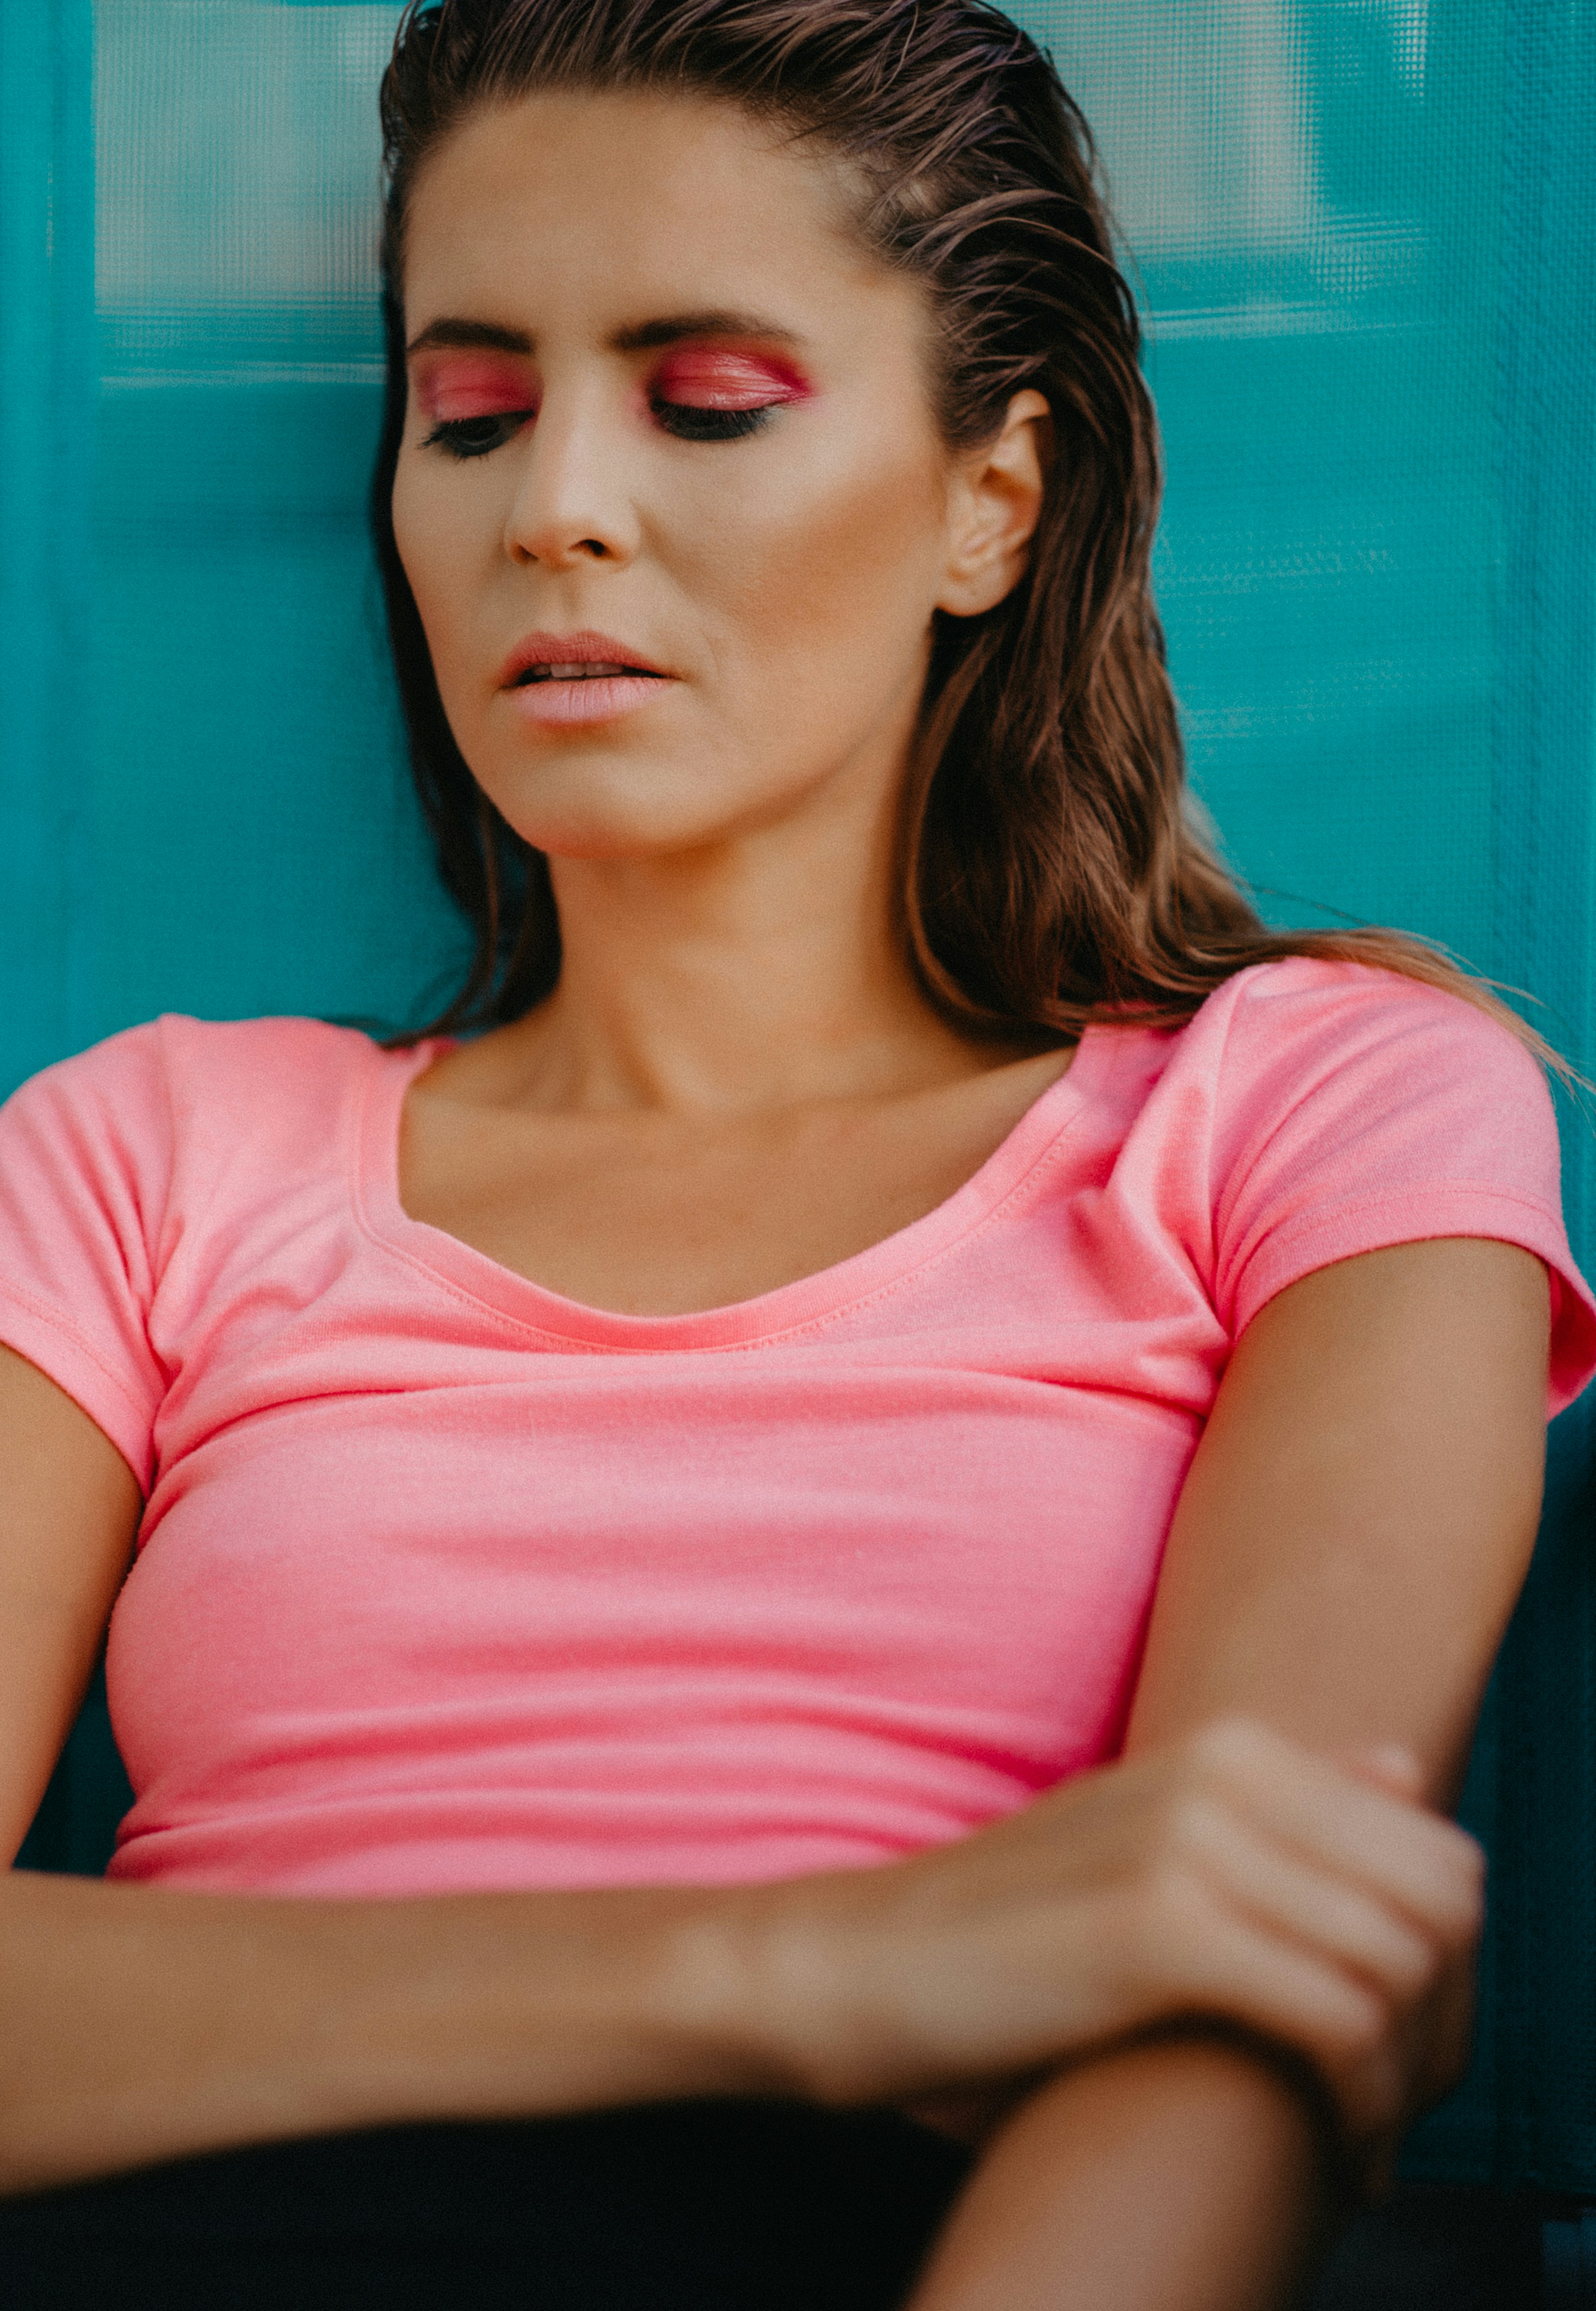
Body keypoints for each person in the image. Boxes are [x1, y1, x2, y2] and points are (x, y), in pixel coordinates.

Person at [0, 1, 1590, 2304]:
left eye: (708, 399)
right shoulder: (142, 1151)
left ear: (990, 500)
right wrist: (821, 1965)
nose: (553, 498)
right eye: (467, 409)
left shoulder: (1318, 1100)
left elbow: (1262, 1979)